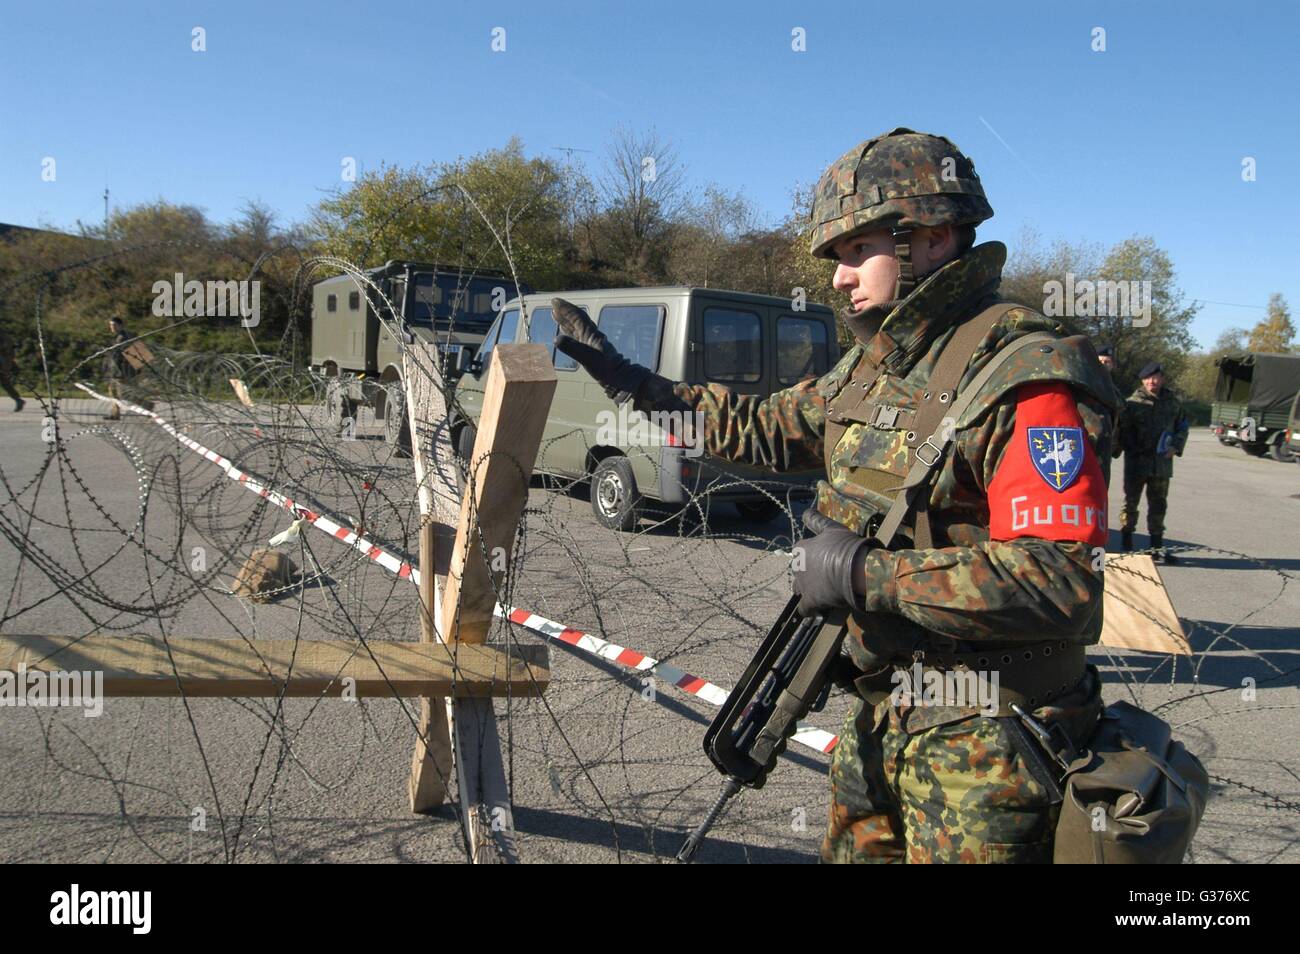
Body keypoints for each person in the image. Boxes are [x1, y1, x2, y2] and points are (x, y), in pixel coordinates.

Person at [553, 128, 1119, 863]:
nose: (839, 278)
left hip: (988, 750)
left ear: (934, 237)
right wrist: (631, 382)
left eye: (857, 252)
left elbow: (1064, 579)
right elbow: (765, 428)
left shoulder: (1026, 376)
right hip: (883, 715)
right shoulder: (876, 367)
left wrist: (861, 575)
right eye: (837, 260)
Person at [1115, 361, 1188, 563]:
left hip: (1161, 464)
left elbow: (1182, 426)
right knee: (1130, 503)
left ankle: (1156, 546)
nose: (1152, 382)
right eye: (1148, 378)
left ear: (1162, 379)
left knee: (1158, 505)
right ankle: (1126, 542)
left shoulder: (1173, 402)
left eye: (1156, 378)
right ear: (1142, 380)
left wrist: (1176, 446)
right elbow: (1122, 431)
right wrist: (1132, 448)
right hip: (1136, 464)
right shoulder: (1132, 403)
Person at [104, 316, 131, 420]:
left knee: (125, 394)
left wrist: (108, 351)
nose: (112, 327)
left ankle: (148, 407)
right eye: (111, 325)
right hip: (117, 370)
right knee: (113, 391)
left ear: (120, 325)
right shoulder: (118, 336)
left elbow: (118, 352)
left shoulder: (122, 337)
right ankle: (115, 414)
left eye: (114, 325)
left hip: (122, 370)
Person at [0, 327, 23, 412]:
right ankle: (18, 400)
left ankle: (18, 400)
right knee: (5, 383)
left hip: (3, 362)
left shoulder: (3, 336)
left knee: (5, 383)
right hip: (5, 362)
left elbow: (9, 349)